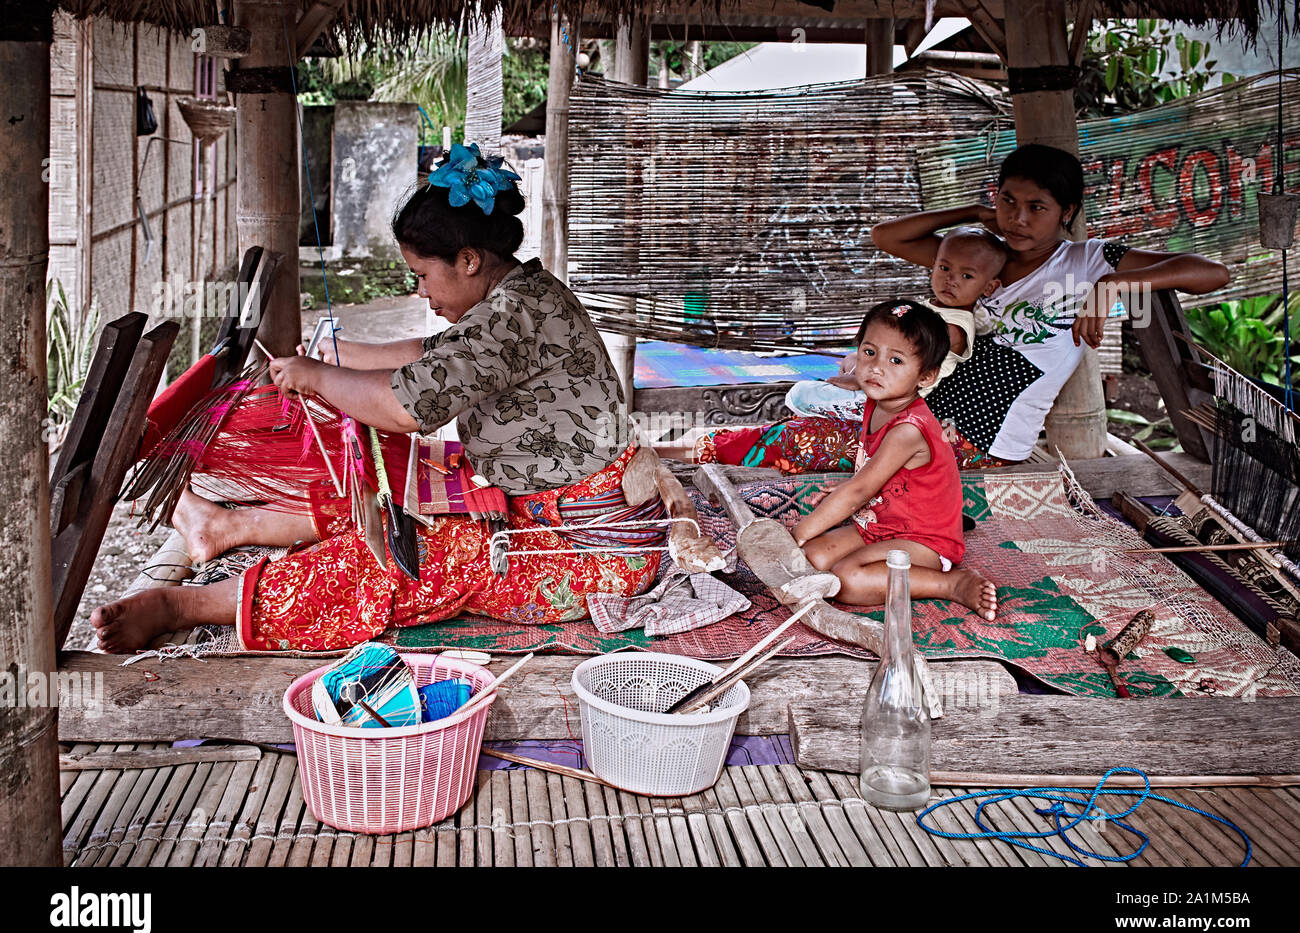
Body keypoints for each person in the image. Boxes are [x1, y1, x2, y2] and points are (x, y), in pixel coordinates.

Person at [93, 144, 663, 654]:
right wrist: (333, 354)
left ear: (468, 261)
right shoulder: (522, 294)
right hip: (539, 502)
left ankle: (180, 605)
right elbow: (428, 352)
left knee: (392, 558)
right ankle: (227, 527)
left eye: (421, 274)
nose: (419, 290)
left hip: (586, 549)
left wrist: (316, 375)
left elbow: (406, 407)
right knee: (387, 485)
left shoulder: (510, 319)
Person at [871, 143, 1231, 468]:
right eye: (1007, 200)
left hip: (978, 443)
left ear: (1066, 211)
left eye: (1036, 207)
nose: (1018, 218)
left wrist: (1114, 282)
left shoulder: (1086, 262)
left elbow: (1212, 273)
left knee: (818, 447)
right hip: (918, 417)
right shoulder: (980, 258)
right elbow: (885, 236)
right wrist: (973, 212)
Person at [792, 300, 997, 620]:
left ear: (926, 377)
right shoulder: (882, 399)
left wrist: (794, 535)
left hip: (924, 539)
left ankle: (950, 583)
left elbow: (859, 491)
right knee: (811, 559)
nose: (876, 368)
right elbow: (876, 476)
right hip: (882, 524)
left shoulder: (908, 430)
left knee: (847, 579)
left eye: (896, 360)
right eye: (869, 352)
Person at [783, 225, 1007, 423]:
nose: (951, 280)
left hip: (899, 399)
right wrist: (862, 361)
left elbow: (906, 370)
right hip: (884, 380)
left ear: (988, 287)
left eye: (966, 276)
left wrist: (861, 380)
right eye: (945, 268)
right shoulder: (926, 307)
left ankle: (866, 412)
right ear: (933, 265)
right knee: (851, 358)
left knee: (800, 394)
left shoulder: (952, 328)